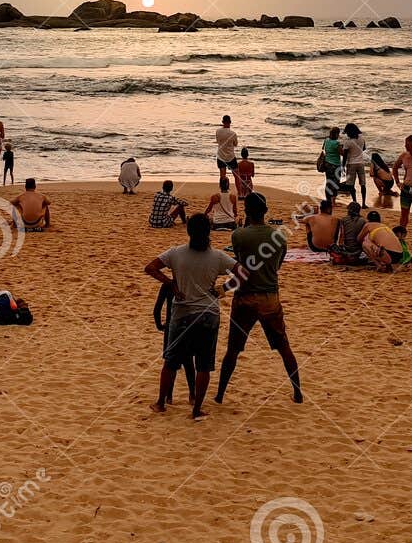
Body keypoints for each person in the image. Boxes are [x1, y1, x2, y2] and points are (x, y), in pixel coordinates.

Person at [144, 214, 234, 417]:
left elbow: (150, 268)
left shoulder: (176, 253)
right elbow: (244, 273)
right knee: (203, 364)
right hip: (208, 314)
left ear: (188, 231)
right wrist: (222, 289)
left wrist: (170, 284)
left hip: (182, 313)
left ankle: (160, 403)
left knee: (171, 361)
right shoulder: (218, 257)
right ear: (209, 232)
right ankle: (196, 408)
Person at [220, 192, 302, 404]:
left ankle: (220, 394)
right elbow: (277, 266)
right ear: (265, 211)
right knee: (284, 347)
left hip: (244, 296)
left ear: (246, 211)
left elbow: (239, 264)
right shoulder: (279, 237)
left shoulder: (238, 235)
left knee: (233, 350)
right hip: (269, 296)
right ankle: (297, 392)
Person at [340, 123, 368, 205]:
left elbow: (344, 156)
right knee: (363, 184)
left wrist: (343, 167)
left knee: (351, 185)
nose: (347, 134)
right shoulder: (362, 139)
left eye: (347, 132)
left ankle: (355, 201)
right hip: (361, 163)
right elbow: (364, 149)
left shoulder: (347, 142)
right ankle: (363, 203)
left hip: (351, 164)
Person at [321, 126, 344, 197]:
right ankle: (333, 201)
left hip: (327, 163)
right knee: (336, 183)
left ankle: (327, 199)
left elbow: (323, 148)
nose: (339, 135)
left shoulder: (326, 140)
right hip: (335, 165)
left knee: (328, 182)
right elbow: (342, 153)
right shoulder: (337, 143)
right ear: (336, 134)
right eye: (338, 134)